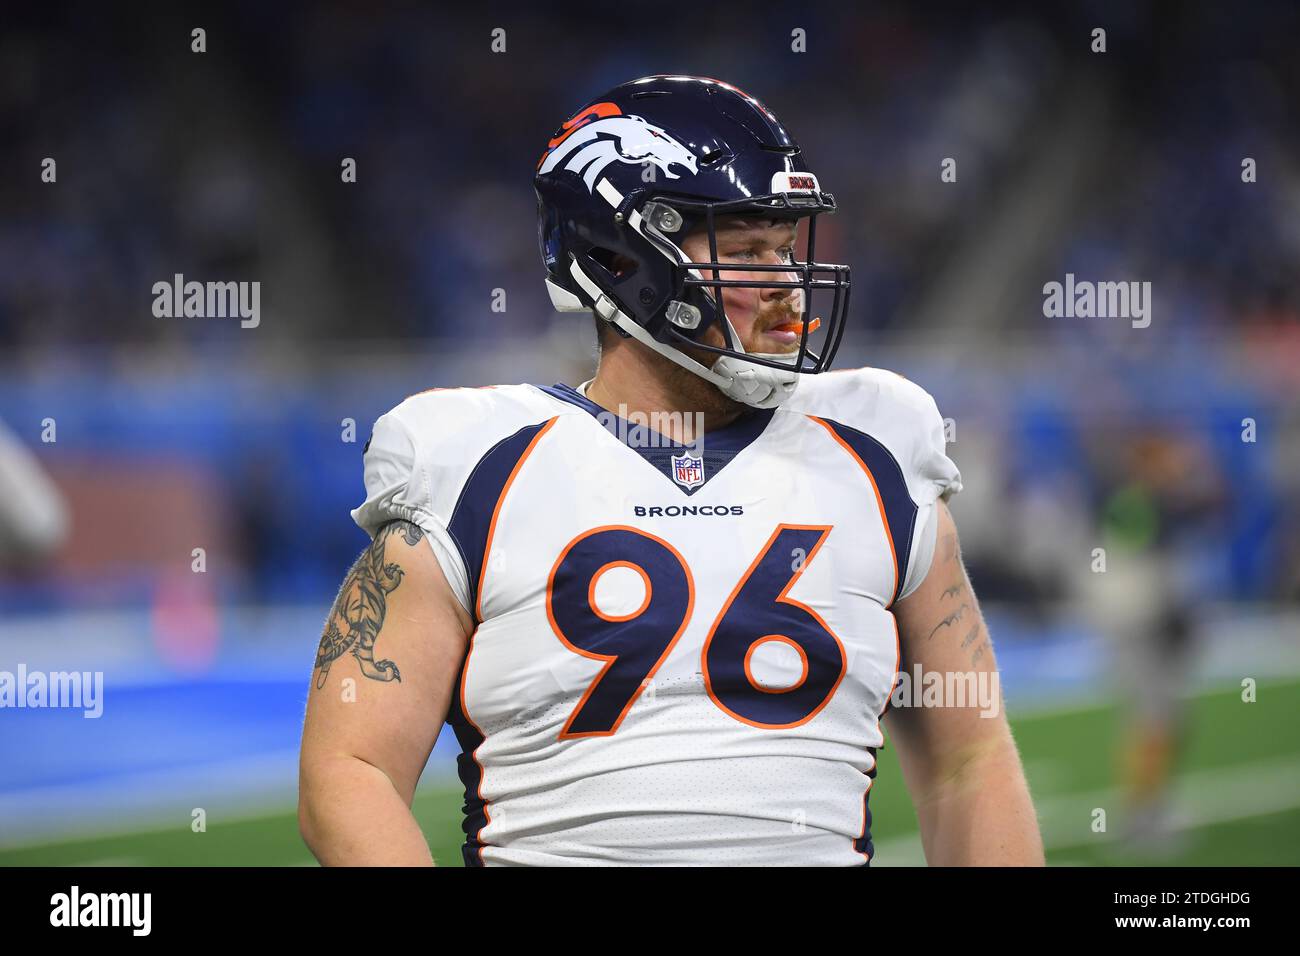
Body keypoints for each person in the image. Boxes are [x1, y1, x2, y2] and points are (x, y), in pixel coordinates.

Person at [299, 75, 1043, 866]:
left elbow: (970, 762)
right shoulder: (477, 469)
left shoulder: (878, 453)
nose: (787, 285)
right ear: (621, 257)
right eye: (747, 250)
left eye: (785, 249)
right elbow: (350, 770)